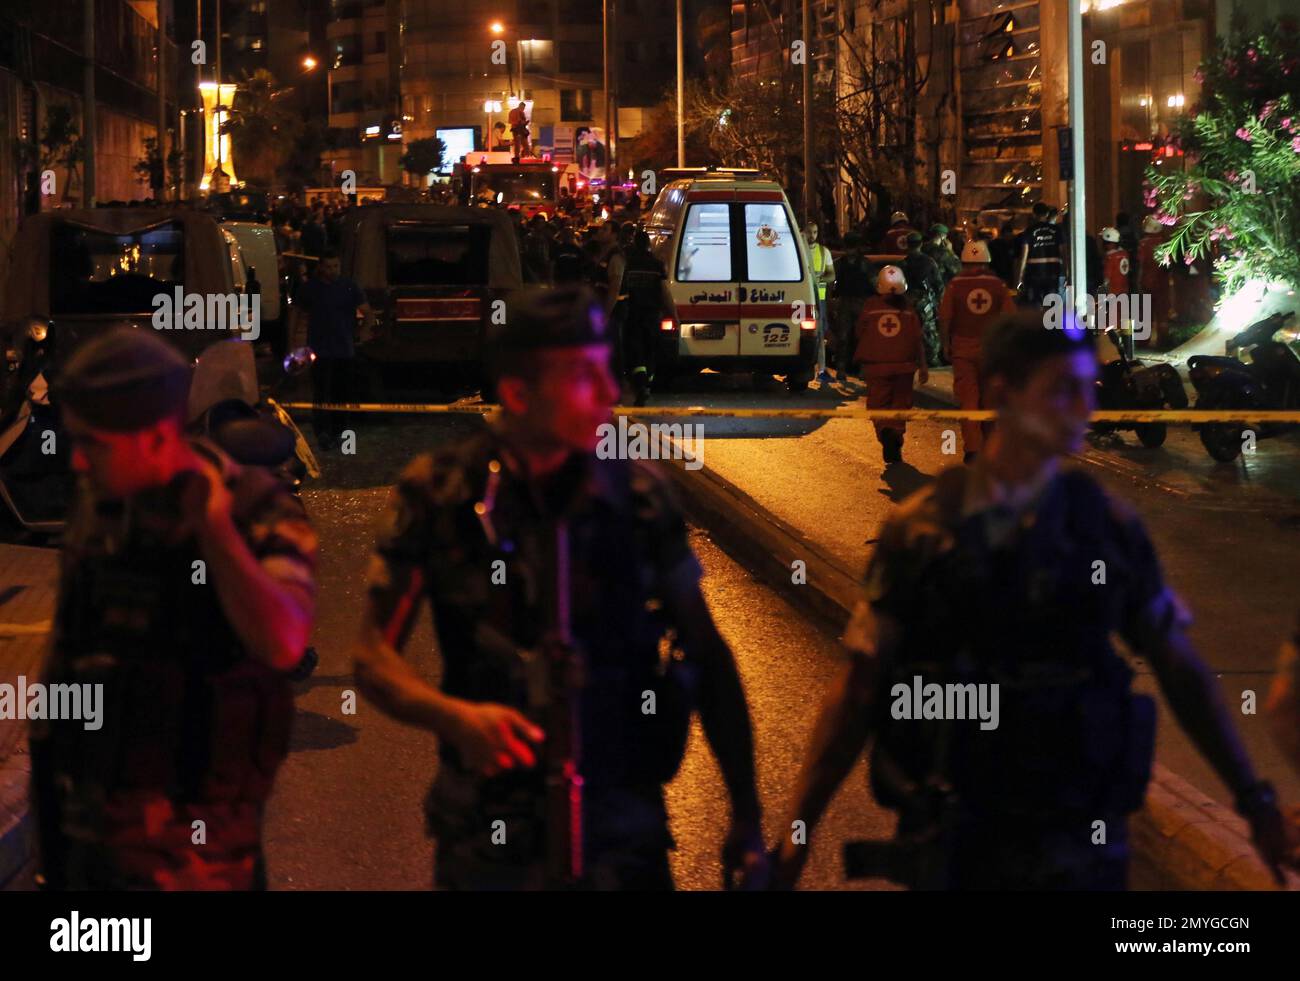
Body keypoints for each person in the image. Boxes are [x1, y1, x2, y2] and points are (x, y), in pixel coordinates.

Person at [771, 311, 1290, 890]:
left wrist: (1254, 800)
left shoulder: (1101, 524)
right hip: (962, 838)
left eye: (1085, 390)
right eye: (1062, 390)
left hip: (1080, 841)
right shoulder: (924, 531)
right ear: (1005, 393)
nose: (1082, 409)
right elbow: (858, 689)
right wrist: (798, 828)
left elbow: (1177, 663)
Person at [352, 286, 767, 890]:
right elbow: (372, 658)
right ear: (519, 393)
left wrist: (747, 816)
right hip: (489, 832)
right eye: (584, 378)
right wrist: (456, 719)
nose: (609, 395)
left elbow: (707, 658)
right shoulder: (441, 494)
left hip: (622, 829)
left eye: (608, 373)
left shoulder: (638, 500)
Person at [30, 328, 317, 890]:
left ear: (160, 436)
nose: (81, 465)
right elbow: (67, 665)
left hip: (199, 859)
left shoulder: (255, 507)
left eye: (97, 445)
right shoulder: (107, 508)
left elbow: (284, 639)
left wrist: (214, 531)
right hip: (96, 846)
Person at [938, 240, 1016, 462]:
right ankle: (990, 447)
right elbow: (1010, 318)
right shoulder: (998, 286)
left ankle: (973, 448)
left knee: (968, 400)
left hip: (963, 350)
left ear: (963, 262)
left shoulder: (955, 285)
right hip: (992, 351)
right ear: (987, 261)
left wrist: (945, 344)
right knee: (991, 400)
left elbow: (945, 318)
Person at [288, 250, 373, 452]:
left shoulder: (350, 287)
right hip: (319, 350)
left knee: (341, 394)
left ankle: (340, 432)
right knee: (321, 393)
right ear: (321, 267)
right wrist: (292, 341)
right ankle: (323, 433)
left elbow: (367, 312)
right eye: (329, 266)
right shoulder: (311, 289)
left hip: (344, 350)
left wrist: (363, 332)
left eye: (336, 266)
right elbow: (296, 314)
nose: (333, 270)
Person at [852, 266, 928, 466]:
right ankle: (894, 432)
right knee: (900, 404)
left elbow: (860, 331)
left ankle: (885, 431)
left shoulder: (871, 306)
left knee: (878, 404)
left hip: (877, 366)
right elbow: (918, 338)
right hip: (905, 366)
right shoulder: (909, 309)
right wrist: (923, 366)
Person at [621, 230, 677, 405]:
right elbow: (664, 291)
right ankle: (647, 384)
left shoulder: (627, 264)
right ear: (648, 244)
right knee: (650, 350)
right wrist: (673, 313)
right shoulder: (656, 264)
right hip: (652, 314)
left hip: (632, 313)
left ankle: (640, 383)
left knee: (634, 350)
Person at [831, 231, 877, 381]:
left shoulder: (865, 264)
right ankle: (841, 368)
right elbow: (831, 284)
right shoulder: (839, 264)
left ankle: (862, 368)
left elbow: (875, 284)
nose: (850, 250)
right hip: (844, 302)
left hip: (861, 302)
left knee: (862, 337)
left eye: (852, 246)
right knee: (843, 337)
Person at [900, 231, 945, 367]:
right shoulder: (929, 262)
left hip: (906, 301)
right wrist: (938, 303)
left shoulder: (902, 264)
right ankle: (931, 359)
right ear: (920, 244)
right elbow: (939, 285)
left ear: (907, 245)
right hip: (925, 301)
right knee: (929, 331)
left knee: (907, 330)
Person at [1015, 202, 1064, 308]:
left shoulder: (1029, 231)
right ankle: (1051, 323)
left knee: (1035, 303)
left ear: (1034, 214)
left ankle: (1038, 323)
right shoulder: (1056, 231)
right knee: (1052, 304)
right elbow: (1063, 252)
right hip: (1053, 272)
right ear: (1047, 214)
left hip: (1034, 273)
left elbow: (1024, 255)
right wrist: (1067, 273)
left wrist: (1019, 278)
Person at [805, 222, 837, 383]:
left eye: (815, 232)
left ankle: (822, 369)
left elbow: (831, 275)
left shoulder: (824, 252)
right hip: (801, 298)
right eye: (810, 232)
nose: (812, 235)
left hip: (819, 299)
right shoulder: (799, 249)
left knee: (820, 334)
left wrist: (819, 279)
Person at [1137, 215, 1171, 347]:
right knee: (1162, 312)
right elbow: (1168, 265)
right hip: (1162, 281)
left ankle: (1143, 340)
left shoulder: (1143, 244)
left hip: (1147, 281)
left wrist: (1138, 281)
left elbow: (1141, 263)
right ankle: (1163, 340)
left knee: (1146, 311)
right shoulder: (1165, 244)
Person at [923, 224, 962, 288]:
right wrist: (951, 251)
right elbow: (958, 270)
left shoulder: (922, 248)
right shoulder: (943, 252)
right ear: (942, 237)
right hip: (939, 289)